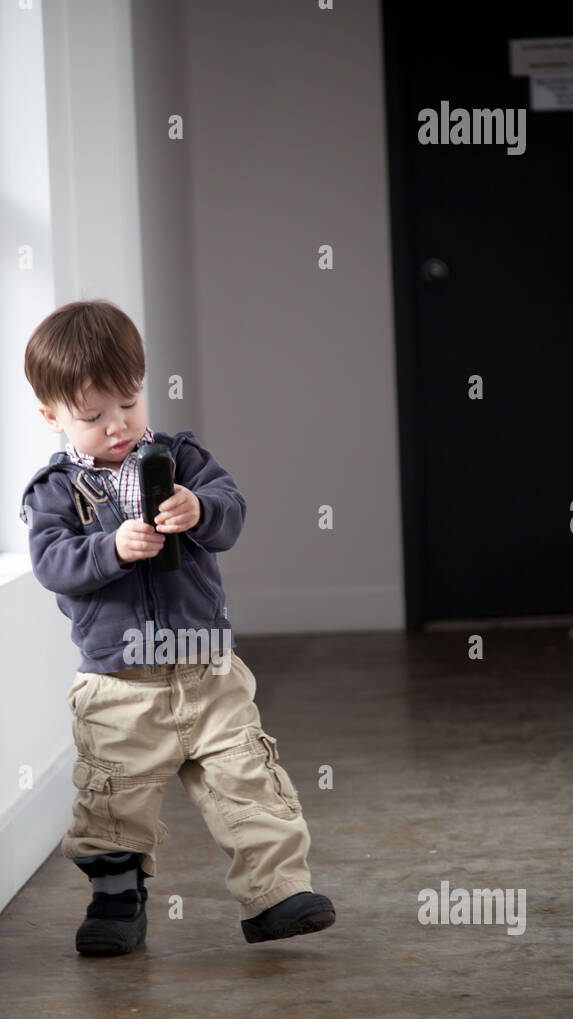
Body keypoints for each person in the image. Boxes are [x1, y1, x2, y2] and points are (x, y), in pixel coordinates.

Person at [19, 298, 336, 956]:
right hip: (120, 683)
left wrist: (200, 508)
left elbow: (232, 510)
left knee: (248, 777)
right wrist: (111, 550)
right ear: (52, 418)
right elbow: (52, 563)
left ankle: (276, 892)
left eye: (129, 404)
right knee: (114, 800)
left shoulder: (180, 457)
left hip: (206, 668)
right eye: (93, 416)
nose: (117, 426)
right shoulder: (55, 492)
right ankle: (116, 900)